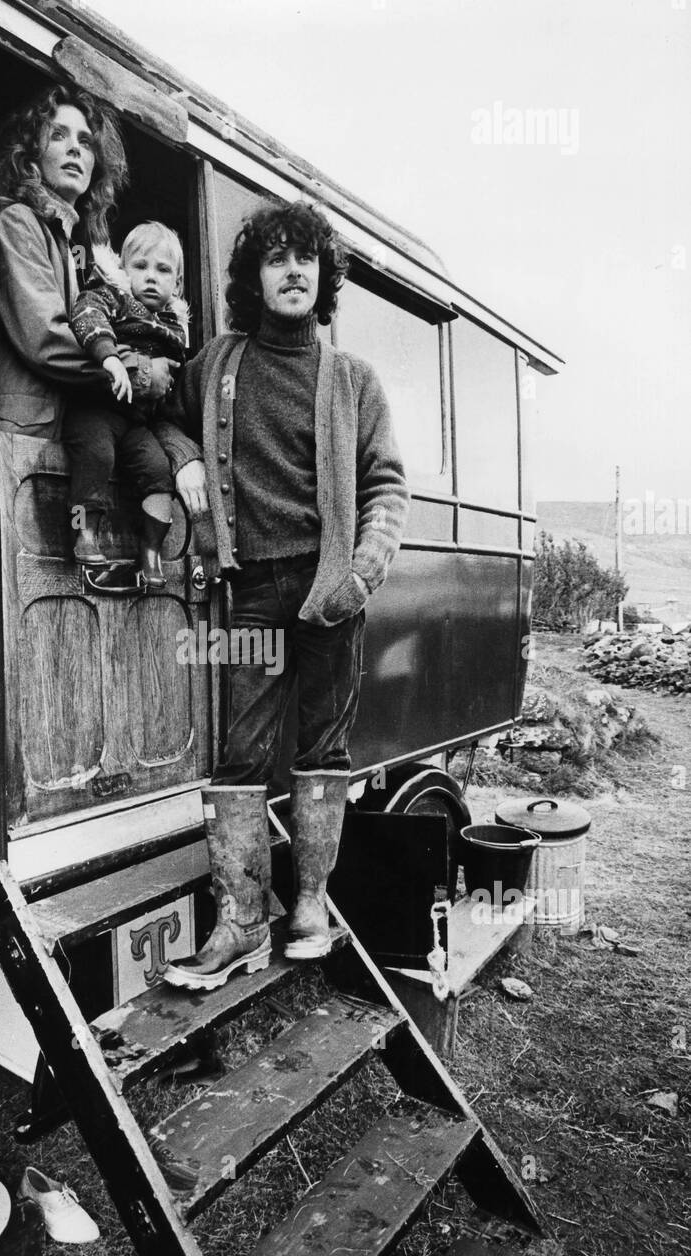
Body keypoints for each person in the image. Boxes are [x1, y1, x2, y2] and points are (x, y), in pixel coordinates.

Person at [157, 200, 411, 990]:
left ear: (324, 278)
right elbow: (159, 416)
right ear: (254, 279)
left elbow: (386, 486)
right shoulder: (217, 365)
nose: (294, 270)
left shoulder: (353, 381)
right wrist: (182, 457)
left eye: (307, 258)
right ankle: (239, 921)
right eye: (276, 258)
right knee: (238, 751)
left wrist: (362, 572)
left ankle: (309, 903)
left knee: (322, 748)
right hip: (251, 592)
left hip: (327, 591)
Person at [0, 83, 179, 566]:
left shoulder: (71, 240)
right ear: (31, 154)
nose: (75, 148)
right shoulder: (19, 224)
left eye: (86, 141)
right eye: (58, 136)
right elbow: (46, 337)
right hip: (26, 447)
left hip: (59, 448)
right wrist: (136, 370)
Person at [67, 222, 190, 588]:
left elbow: (178, 382)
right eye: (141, 266)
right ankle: (84, 532)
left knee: (158, 473)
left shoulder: (175, 328)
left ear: (177, 284)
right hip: (98, 410)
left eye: (163, 270)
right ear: (124, 269)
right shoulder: (113, 297)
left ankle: (150, 550)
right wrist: (109, 356)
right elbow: (87, 315)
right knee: (95, 456)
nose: (151, 277)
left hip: (137, 424)